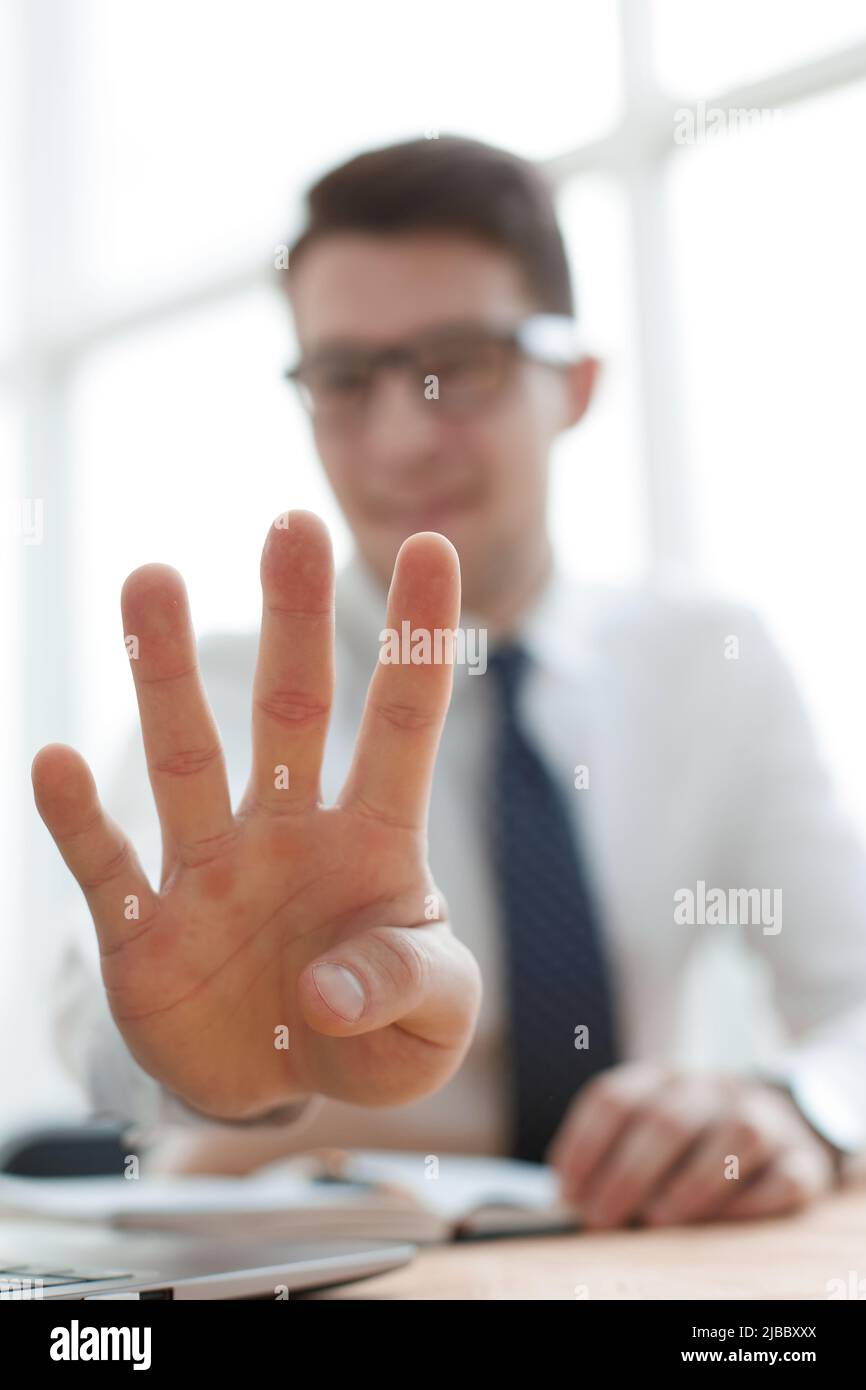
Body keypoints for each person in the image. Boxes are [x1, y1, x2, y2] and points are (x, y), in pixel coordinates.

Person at [34, 136, 866, 1229]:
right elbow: (102, 1022)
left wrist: (794, 1104)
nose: (402, 435)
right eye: (342, 378)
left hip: (637, 1267)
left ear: (571, 382)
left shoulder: (707, 660)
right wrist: (195, 1069)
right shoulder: (222, 701)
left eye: (457, 363)